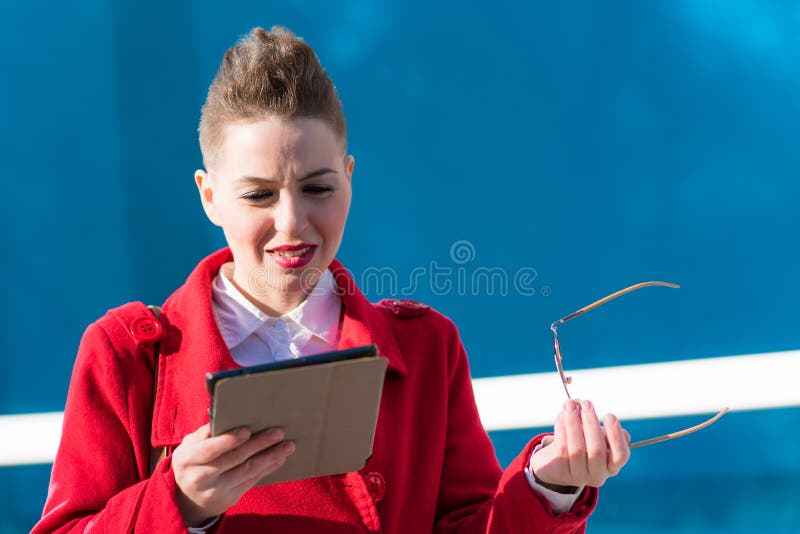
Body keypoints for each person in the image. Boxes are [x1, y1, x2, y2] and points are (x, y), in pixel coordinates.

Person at [33, 26, 631, 533]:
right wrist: (178, 503)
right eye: (258, 195)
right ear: (209, 196)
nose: (291, 223)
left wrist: (547, 485)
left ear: (349, 178)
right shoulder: (127, 357)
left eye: (317, 188)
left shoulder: (427, 351)